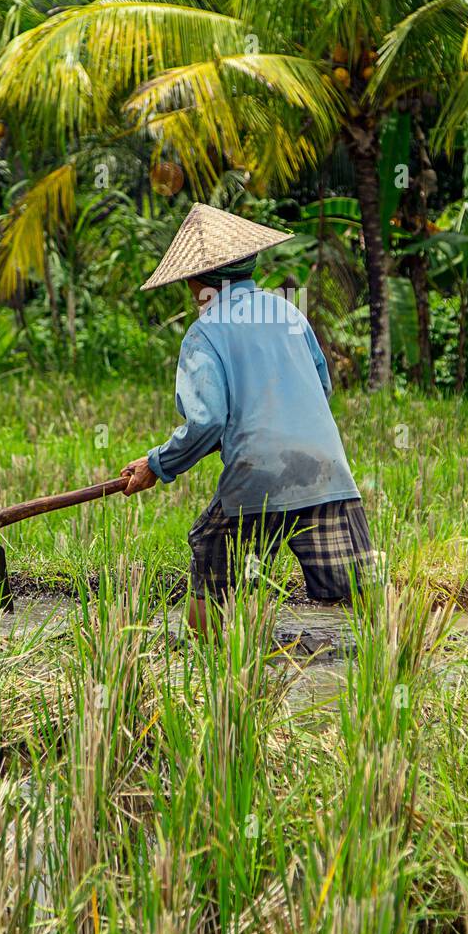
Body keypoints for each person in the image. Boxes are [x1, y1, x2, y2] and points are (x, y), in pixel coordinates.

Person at [118, 203, 374, 632]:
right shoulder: (290, 314)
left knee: (213, 558)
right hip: (326, 471)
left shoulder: (205, 333)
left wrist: (156, 465)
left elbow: (207, 423)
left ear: (197, 281)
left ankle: (206, 660)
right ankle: (394, 657)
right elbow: (321, 389)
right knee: (361, 587)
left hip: (258, 476)